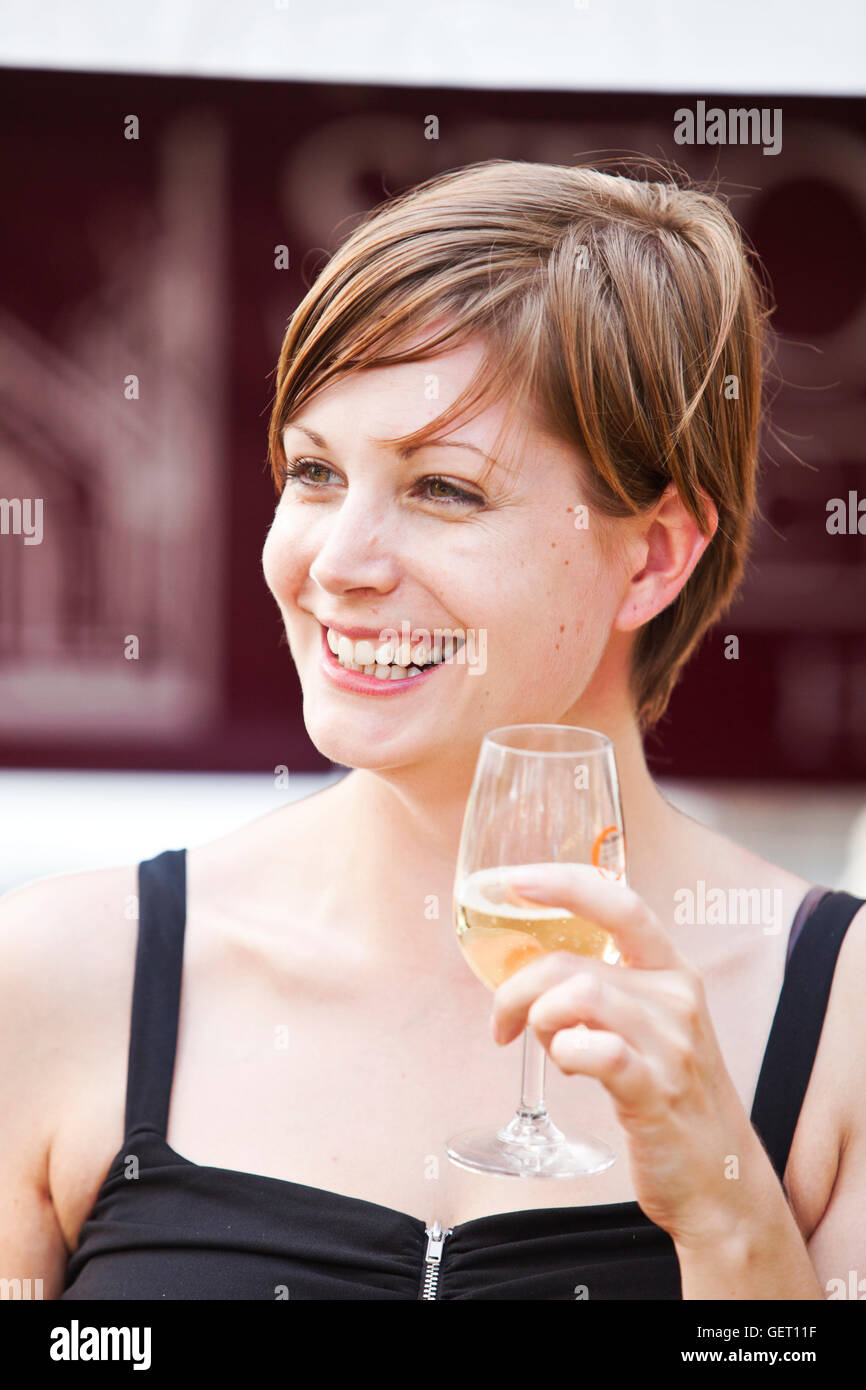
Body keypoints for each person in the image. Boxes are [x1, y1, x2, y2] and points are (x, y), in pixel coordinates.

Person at [2, 158, 864, 1301]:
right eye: (312, 472)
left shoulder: (840, 1015)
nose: (337, 564)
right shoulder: (62, 970)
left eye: (442, 490)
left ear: (651, 555)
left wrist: (725, 1211)